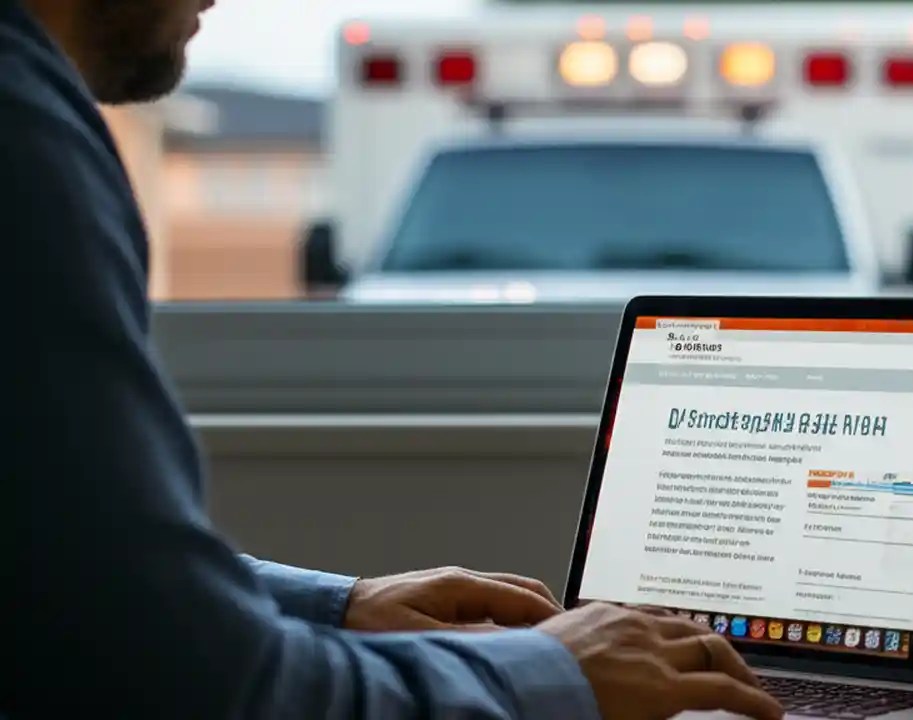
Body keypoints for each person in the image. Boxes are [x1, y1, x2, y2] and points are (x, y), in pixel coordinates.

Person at [0, 0, 785, 717]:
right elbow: (196, 681)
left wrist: (336, 607)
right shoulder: (23, 140)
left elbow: (75, 579)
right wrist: (543, 672)